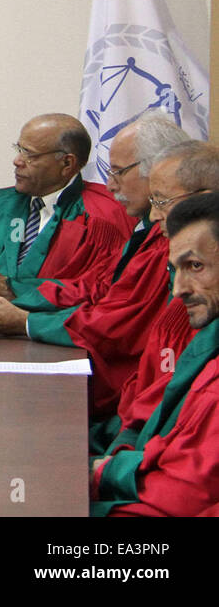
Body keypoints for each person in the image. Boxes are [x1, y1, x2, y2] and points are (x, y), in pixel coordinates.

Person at [0, 115, 193, 418]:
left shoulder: (171, 242)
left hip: (126, 392)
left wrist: (25, 322)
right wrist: (13, 291)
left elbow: (116, 324)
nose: (109, 183)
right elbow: (94, 286)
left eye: (118, 172)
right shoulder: (150, 231)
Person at [0, 113, 131, 311]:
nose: (17, 161)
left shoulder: (104, 219)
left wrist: (15, 290)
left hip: (54, 348)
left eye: (30, 155)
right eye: (19, 149)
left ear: (67, 163)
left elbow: (103, 294)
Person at [91, 191, 219, 516]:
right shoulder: (207, 342)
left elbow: (185, 493)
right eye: (176, 270)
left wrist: (99, 474)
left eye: (196, 266)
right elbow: (153, 429)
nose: (179, 289)